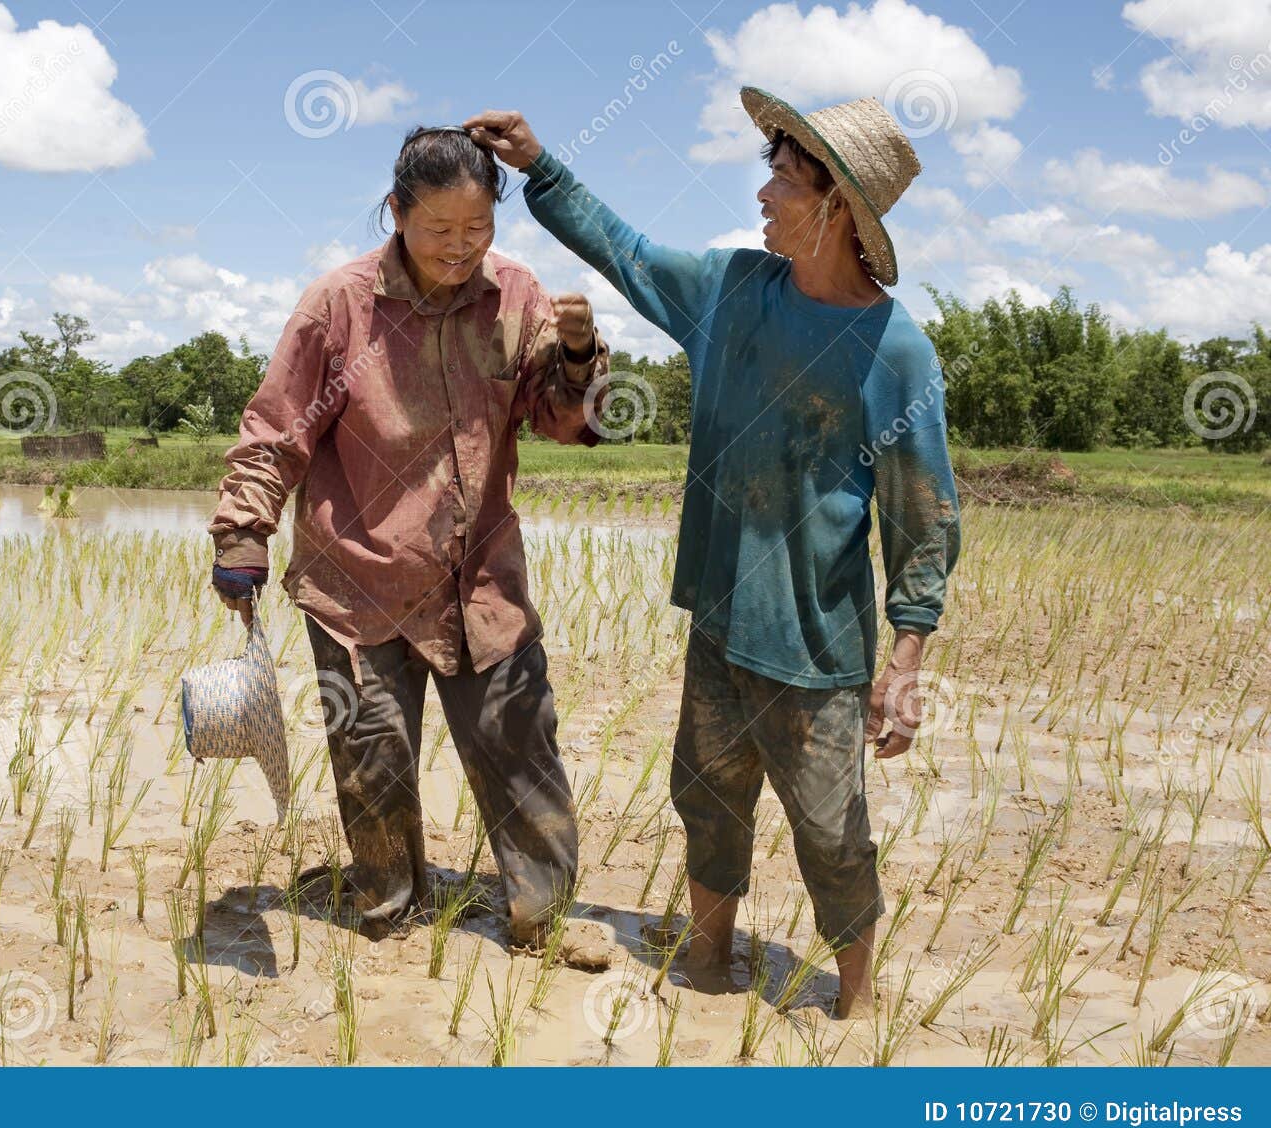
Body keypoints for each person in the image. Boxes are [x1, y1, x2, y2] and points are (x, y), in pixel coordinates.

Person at [466, 89, 961, 1017]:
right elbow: (626, 251)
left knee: (830, 831)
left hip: (816, 651)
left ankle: (860, 1005)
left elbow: (922, 512)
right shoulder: (734, 293)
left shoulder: (896, 352)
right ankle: (706, 965)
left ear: (837, 205)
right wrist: (541, 164)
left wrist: (906, 658)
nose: (765, 191)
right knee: (706, 798)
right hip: (721, 624)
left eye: (784, 176)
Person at [209, 126, 615, 962]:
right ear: (396, 213)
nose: (460, 250)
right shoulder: (339, 305)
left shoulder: (516, 296)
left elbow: (563, 420)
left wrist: (577, 357)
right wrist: (244, 530)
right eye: (439, 231)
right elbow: (275, 429)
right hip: (360, 577)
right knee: (373, 757)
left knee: (519, 741)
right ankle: (389, 911)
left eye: (478, 231)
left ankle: (541, 914)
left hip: (481, 581)